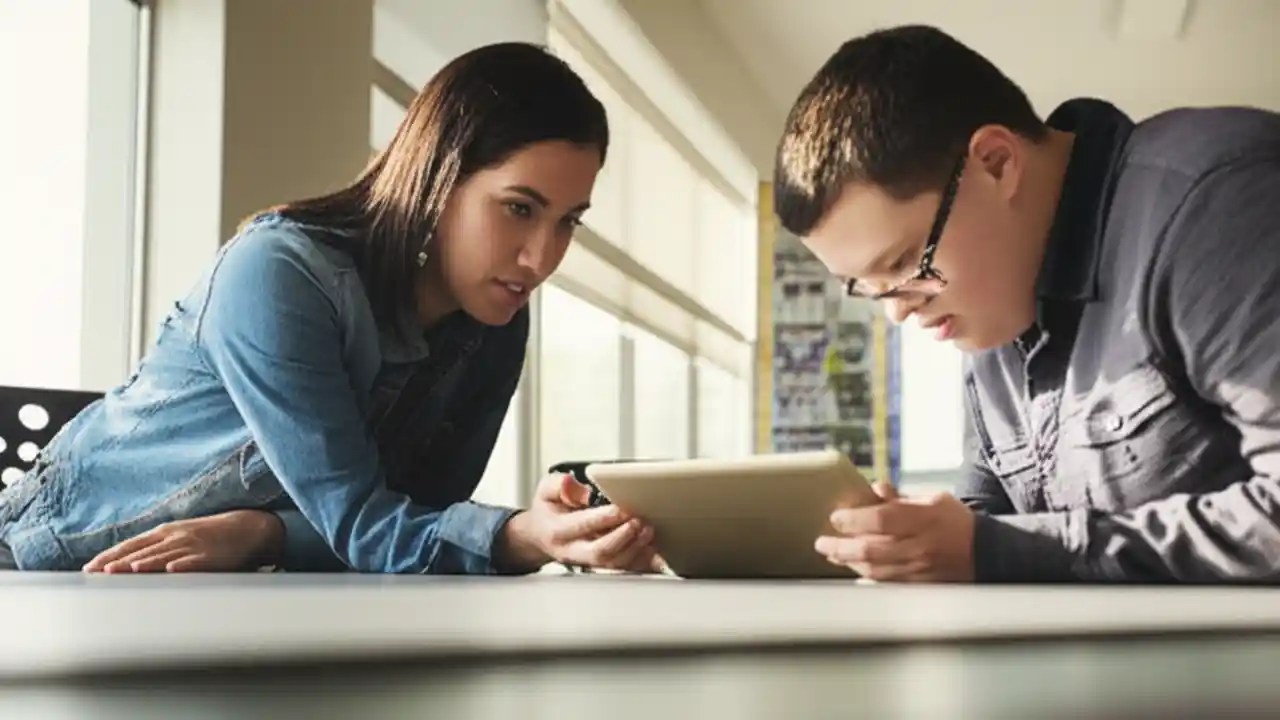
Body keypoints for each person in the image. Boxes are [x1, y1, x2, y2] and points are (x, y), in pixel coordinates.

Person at [0, 42, 657, 575]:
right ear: (438, 178)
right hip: (47, 568)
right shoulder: (280, 275)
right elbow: (369, 528)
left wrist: (263, 535)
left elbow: (412, 522)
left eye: (568, 222)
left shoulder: (495, 319)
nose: (539, 259)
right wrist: (520, 535)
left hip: (232, 602)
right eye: (519, 209)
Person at [774, 25, 1280, 582]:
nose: (898, 310)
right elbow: (985, 518)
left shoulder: (1216, 203)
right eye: (865, 287)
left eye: (903, 263)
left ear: (996, 163)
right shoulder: (993, 299)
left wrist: (1001, 551)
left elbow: (1000, 546)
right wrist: (890, 539)